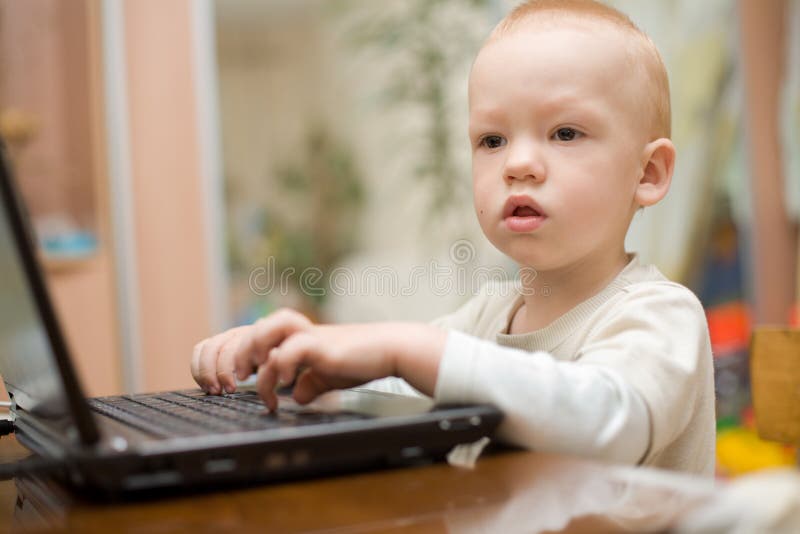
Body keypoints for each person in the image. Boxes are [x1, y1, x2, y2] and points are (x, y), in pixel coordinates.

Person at [190, 0, 715, 475]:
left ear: (647, 174)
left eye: (565, 133)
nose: (519, 163)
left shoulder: (660, 315)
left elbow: (606, 423)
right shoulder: (487, 315)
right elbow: (393, 392)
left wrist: (408, 347)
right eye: (492, 139)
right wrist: (296, 364)